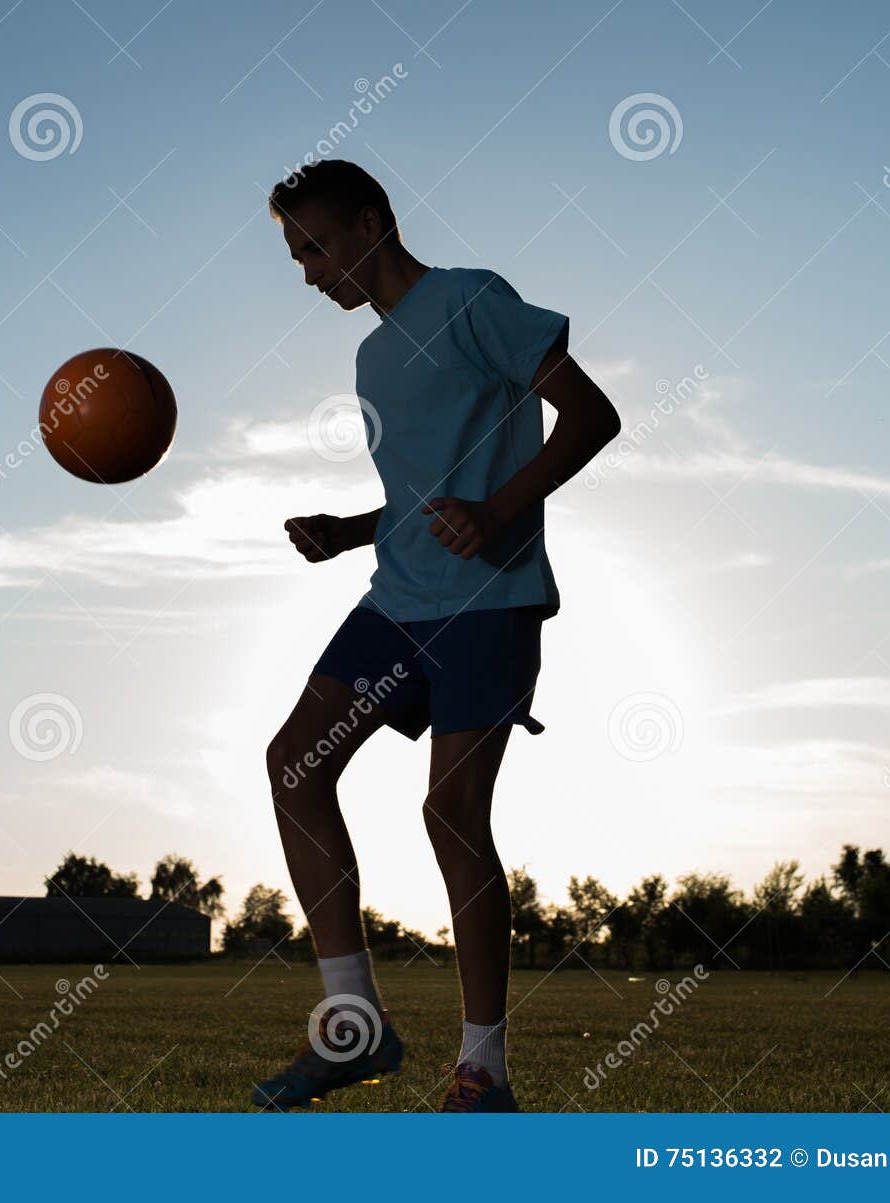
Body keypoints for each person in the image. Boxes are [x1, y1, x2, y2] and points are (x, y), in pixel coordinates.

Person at [252, 159, 621, 1113]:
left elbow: (592, 415)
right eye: (295, 253)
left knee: (450, 815)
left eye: (317, 245)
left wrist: (502, 511)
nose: (307, 271)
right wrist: (352, 528)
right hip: (397, 602)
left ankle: (483, 1072)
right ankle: (353, 1026)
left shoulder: (471, 301)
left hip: (488, 604)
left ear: (372, 222)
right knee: (295, 764)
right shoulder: (372, 359)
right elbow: (420, 497)